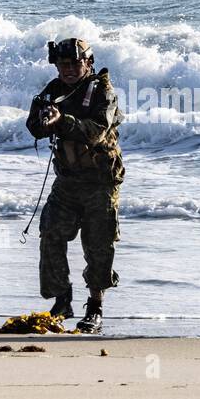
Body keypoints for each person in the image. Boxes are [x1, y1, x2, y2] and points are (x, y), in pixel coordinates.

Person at [25, 39, 124, 334]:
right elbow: (33, 125)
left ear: (88, 63)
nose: (68, 69)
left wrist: (62, 121)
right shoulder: (52, 91)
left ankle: (95, 307)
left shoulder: (101, 91)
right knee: (51, 233)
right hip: (67, 181)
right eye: (62, 64)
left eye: (74, 64)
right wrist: (44, 122)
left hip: (100, 181)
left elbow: (95, 131)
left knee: (98, 246)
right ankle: (62, 301)